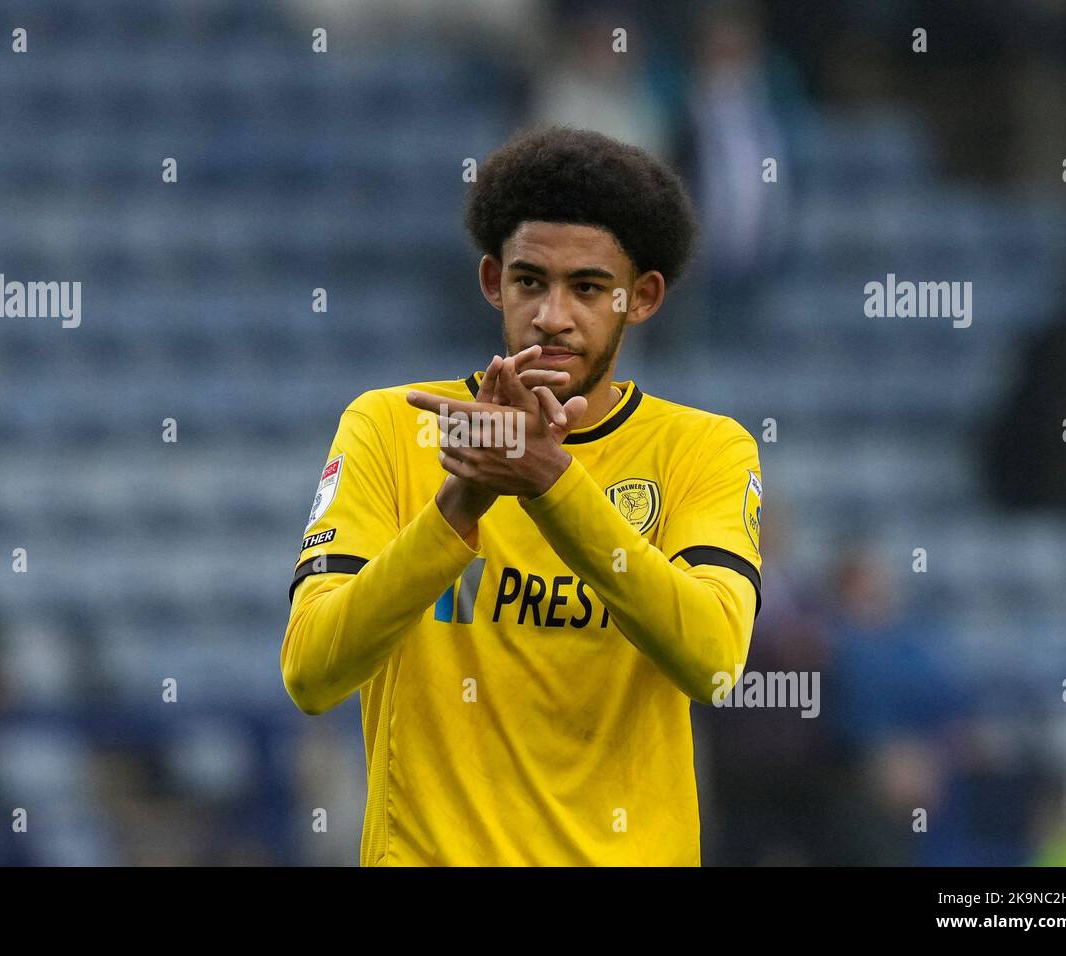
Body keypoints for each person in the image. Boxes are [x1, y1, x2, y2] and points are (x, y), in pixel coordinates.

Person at [281, 126, 764, 866]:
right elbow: (312, 674)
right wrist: (457, 510)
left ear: (643, 297)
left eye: (589, 288)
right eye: (530, 281)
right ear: (492, 281)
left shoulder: (701, 449)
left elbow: (714, 661)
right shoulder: (389, 426)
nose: (552, 316)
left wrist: (550, 482)